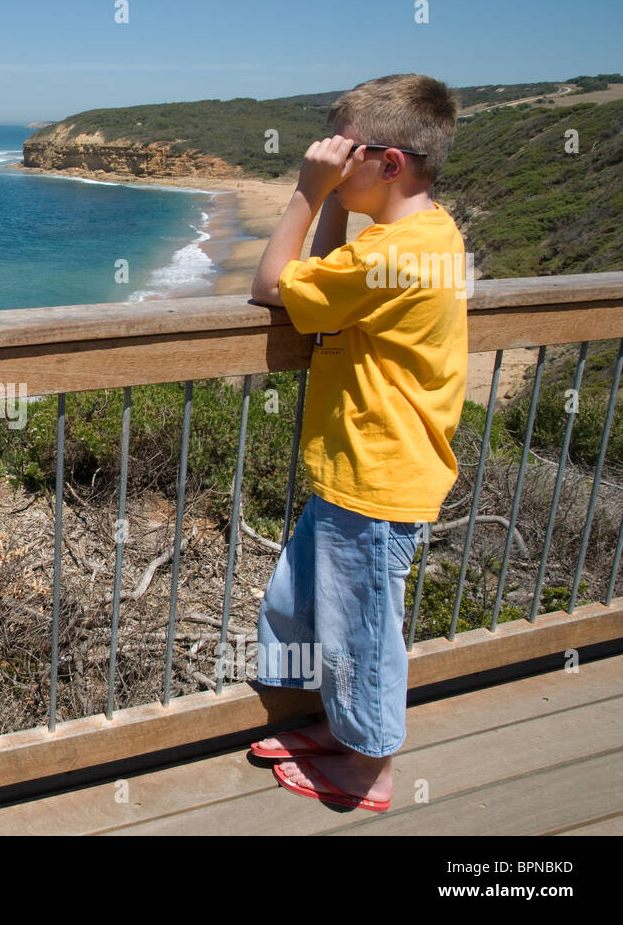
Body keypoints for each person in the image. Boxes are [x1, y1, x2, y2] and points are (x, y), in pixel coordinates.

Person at [246, 74, 468, 812]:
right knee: (314, 611)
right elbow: (321, 283)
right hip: (366, 470)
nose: (332, 159)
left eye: (347, 150)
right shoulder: (422, 235)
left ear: (391, 162)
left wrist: (309, 193)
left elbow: (274, 282)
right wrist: (340, 194)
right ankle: (341, 732)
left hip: (376, 476)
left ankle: (370, 770)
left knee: (363, 633)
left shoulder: (393, 257)